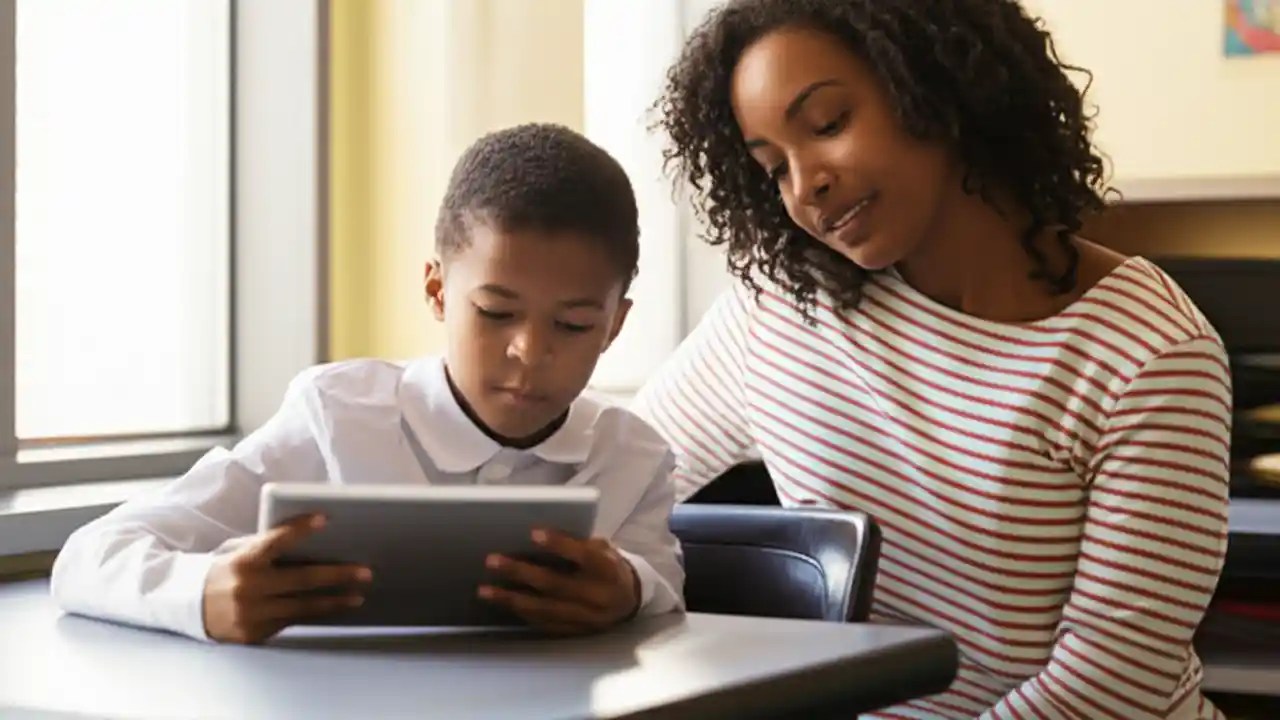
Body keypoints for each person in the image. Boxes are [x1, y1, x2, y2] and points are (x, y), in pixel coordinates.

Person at [636, 1, 1231, 718]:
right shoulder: (781, 310)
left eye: (828, 124)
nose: (805, 185)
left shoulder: (1148, 351)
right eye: (773, 168)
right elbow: (618, 483)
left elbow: (1113, 683)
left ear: (936, 85)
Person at [51, 123, 685, 644]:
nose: (530, 351)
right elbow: (88, 556)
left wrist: (628, 592)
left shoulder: (633, 458)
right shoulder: (335, 417)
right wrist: (202, 594)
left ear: (614, 325)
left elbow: (662, 587)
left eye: (573, 325)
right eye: (496, 313)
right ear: (437, 291)